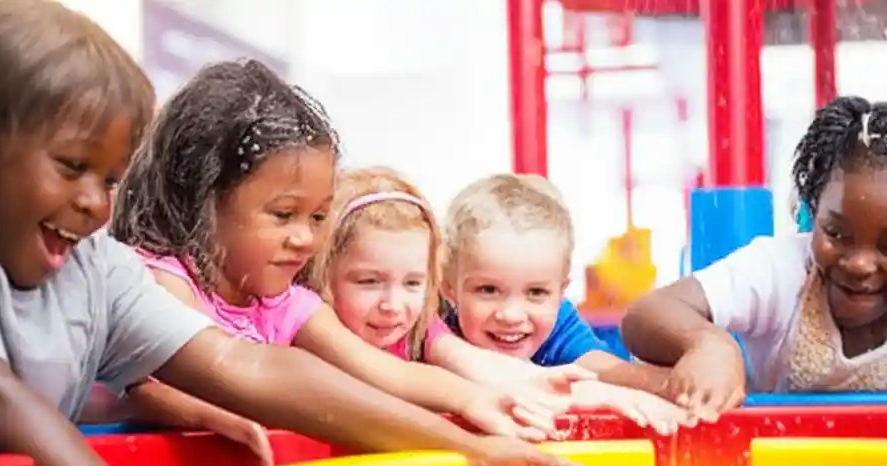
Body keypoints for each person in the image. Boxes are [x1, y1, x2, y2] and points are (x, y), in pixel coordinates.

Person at [0, 0, 586, 466]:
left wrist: (455, 453)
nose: (94, 203)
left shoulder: (92, 268)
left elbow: (245, 362)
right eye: (72, 167)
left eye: (110, 179)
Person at [111, 59, 577, 443]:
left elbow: (385, 374)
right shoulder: (161, 281)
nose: (306, 239)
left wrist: (474, 399)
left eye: (317, 217)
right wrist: (217, 416)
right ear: (204, 197)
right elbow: (148, 390)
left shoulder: (286, 302)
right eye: (283, 214)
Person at [621, 96, 887, 417]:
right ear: (815, 210)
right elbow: (646, 314)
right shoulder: (783, 270)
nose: (858, 263)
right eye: (835, 233)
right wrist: (709, 344)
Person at [305, 166, 684, 433]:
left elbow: (532, 381)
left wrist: (655, 388)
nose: (511, 313)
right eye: (369, 281)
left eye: (412, 283)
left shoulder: (426, 328)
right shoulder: (313, 323)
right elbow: (408, 378)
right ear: (448, 287)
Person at [439, 172, 690, 429]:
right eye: (488, 290)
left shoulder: (555, 316)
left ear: (561, 292)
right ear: (448, 287)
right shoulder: (429, 325)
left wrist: (677, 387)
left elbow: (603, 368)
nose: (512, 315)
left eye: (536, 292)